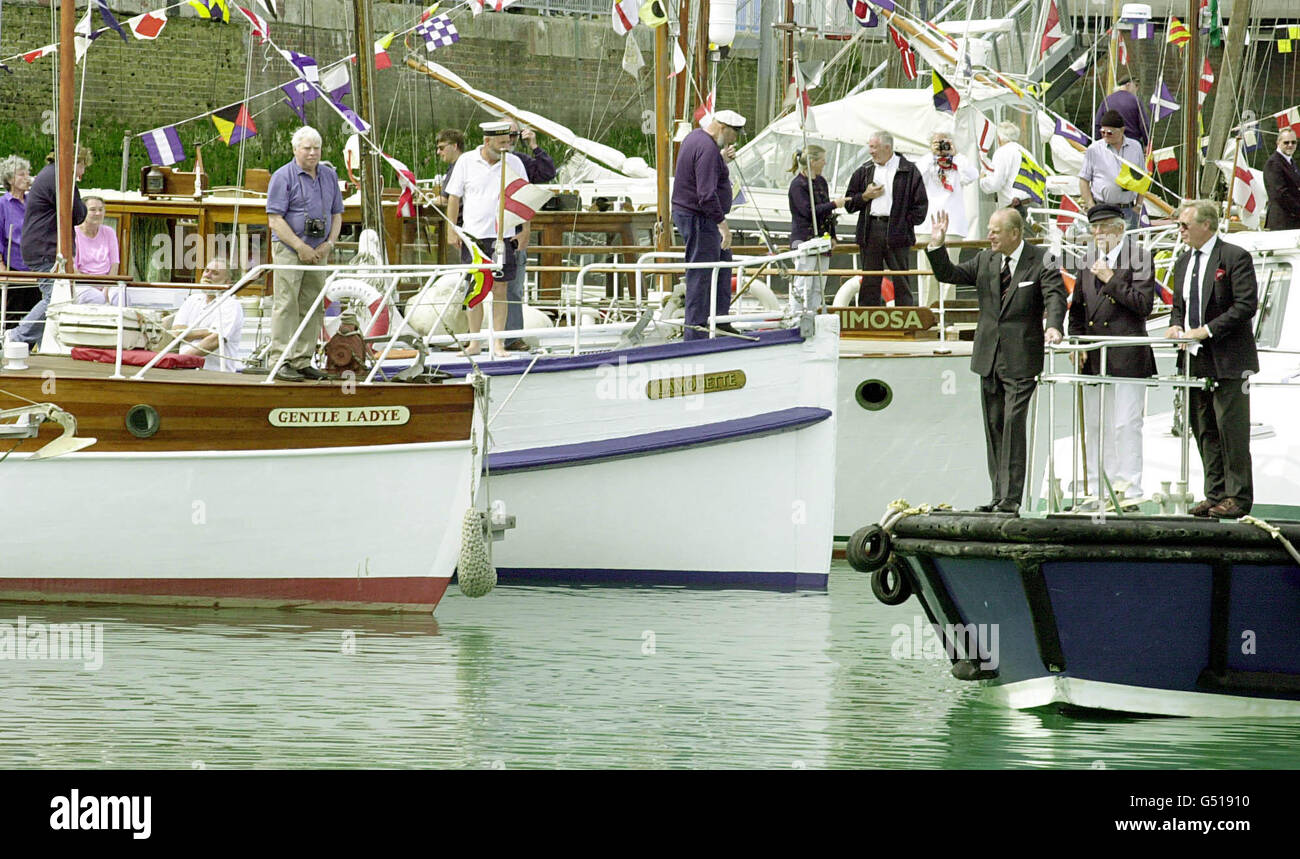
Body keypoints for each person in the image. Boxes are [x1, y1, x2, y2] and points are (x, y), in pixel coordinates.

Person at [926, 207, 1066, 514]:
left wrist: (1054, 325)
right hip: (988, 356)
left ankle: (1011, 498)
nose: (989, 235)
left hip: (1022, 357)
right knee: (994, 427)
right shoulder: (985, 259)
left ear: (1014, 233)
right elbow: (950, 274)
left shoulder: (1042, 259)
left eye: (995, 231)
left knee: (1014, 423)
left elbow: (1056, 296)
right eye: (989, 229)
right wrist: (938, 245)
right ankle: (997, 496)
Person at [1165, 201, 1258, 519]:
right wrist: (1176, 324)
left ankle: (1238, 497)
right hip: (1194, 358)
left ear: (1206, 225)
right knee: (1203, 427)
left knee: (1231, 428)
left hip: (1229, 357)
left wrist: (1207, 330)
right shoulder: (1182, 262)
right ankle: (1215, 492)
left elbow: (1246, 305)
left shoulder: (1234, 257)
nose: (1180, 230)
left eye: (1184, 225)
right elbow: (1179, 304)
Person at [1067, 204, 1157, 503]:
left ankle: (1130, 489)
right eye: (1094, 228)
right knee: (1096, 425)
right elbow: (1077, 310)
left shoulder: (1139, 258)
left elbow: (1143, 305)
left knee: (1125, 425)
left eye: (1103, 228)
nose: (1097, 234)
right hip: (1095, 356)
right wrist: (1076, 342)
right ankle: (1097, 486)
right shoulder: (1088, 261)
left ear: (1119, 229)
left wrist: (1111, 278)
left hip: (1127, 354)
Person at [445, 120, 530, 357]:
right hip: (474, 236)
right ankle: (474, 343)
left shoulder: (514, 162)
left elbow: (524, 198)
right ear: (487, 141)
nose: (507, 147)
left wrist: (525, 230)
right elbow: (454, 198)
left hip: (503, 236)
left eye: (509, 142)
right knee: (475, 289)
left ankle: (498, 343)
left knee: (501, 288)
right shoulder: (466, 162)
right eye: (501, 143)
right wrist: (452, 229)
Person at [265, 125, 343, 381]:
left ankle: (302, 359)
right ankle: (279, 360)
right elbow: (275, 219)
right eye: (307, 148)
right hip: (289, 249)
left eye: (316, 148)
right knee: (286, 304)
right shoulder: (282, 176)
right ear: (295, 149)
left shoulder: (329, 176)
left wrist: (328, 244)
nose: (312, 153)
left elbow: (337, 214)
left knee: (313, 305)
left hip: (319, 251)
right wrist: (300, 247)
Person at [671, 109, 745, 339]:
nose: (735, 139)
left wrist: (721, 159)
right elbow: (705, 193)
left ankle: (720, 319)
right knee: (701, 273)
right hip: (699, 217)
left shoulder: (695, 139)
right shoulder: (707, 148)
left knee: (723, 263)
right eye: (735, 133)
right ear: (723, 128)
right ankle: (695, 331)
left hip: (697, 215)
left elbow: (700, 171)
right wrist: (722, 224)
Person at [6, 147, 90, 347]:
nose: (83, 172)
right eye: (83, 166)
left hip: (43, 248)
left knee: (58, 298)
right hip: (46, 249)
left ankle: (37, 344)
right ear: (76, 162)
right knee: (55, 300)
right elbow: (78, 214)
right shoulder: (59, 178)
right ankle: (17, 336)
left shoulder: (50, 174)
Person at [844, 130, 927, 306]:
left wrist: (904, 222)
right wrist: (864, 197)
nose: (870, 151)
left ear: (887, 147)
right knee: (870, 279)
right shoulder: (864, 170)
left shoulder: (909, 170)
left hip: (898, 230)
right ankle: (868, 322)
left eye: (874, 147)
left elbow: (920, 206)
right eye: (870, 147)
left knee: (901, 279)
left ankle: (905, 322)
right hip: (871, 229)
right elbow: (849, 204)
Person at [503, 119, 558, 351]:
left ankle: (512, 337)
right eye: (506, 135)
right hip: (485, 232)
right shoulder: (477, 162)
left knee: (514, 288)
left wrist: (534, 146)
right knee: (475, 286)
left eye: (514, 135)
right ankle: (471, 337)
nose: (510, 140)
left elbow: (547, 172)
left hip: (514, 234)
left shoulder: (520, 162)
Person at [786, 145, 844, 315]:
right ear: (812, 161)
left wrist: (832, 236)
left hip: (822, 240)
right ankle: (797, 316)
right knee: (803, 282)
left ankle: (813, 315)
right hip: (804, 239)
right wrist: (833, 204)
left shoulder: (821, 182)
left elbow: (827, 214)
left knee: (819, 284)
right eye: (822, 159)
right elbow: (807, 211)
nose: (825, 163)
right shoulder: (798, 185)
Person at [170, 257, 244, 372]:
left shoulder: (231, 304)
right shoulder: (192, 300)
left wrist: (181, 360)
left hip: (214, 373)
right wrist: (207, 331)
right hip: (183, 370)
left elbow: (214, 341)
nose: (207, 276)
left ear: (227, 282)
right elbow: (176, 332)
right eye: (206, 271)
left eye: (215, 273)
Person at [1078, 110, 1145, 228]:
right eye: (1102, 132)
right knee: (1103, 244)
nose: (1105, 136)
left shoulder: (1135, 147)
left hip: (1128, 209)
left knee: (1129, 246)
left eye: (1109, 133)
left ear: (1122, 130)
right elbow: (1083, 180)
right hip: (1102, 209)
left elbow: (1142, 178)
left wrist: (1138, 206)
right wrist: (1091, 206)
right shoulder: (1094, 149)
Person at [916, 129, 978, 239]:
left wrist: (956, 155)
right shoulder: (925, 161)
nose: (941, 146)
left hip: (953, 225)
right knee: (925, 255)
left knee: (950, 257)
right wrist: (932, 154)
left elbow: (972, 176)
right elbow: (916, 177)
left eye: (944, 142)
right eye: (937, 143)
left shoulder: (958, 162)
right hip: (927, 225)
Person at [0, 155, 35, 327]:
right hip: (13, 266)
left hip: (35, 266)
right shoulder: (3, 204)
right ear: (10, 179)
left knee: (35, 312)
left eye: (27, 173)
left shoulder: (33, 202)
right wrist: (2, 267)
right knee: (12, 313)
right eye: (21, 174)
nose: (26, 177)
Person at [72, 196, 122, 305]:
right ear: (83, 211)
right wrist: (96, 287)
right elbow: (73, 269)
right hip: (82, 284)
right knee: (96, 298)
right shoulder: (74, 233)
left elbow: (115, 264)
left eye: (101, 209)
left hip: (107, 283)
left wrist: (107, 287)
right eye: (93, 210)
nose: (98, 213)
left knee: (121, 296)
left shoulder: (109, 232)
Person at [979, 122, 1033, 213]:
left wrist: (982, 179)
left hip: (1014, 208)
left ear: (999, 138)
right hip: (1031, 204)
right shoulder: (1025, 152)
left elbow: (995, 184)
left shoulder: (1002, 152)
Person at [1092, 76, 1150, 148]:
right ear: (1128, 85)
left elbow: (1097, 124)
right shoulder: (1135, 101)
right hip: (1132, 144)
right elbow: (1144, 125)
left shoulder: (1107, 100)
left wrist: (1100, 143)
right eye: (1136, 85)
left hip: (1110, 144)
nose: (1137, 89)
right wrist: (1147, 143)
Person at [1263, 127, 1300, 231]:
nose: (1290, 145)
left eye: (1294, 142)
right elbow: (1280, 194)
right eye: (1286, 142)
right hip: (1282, 222)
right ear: (1278, 143)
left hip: (1294, 221)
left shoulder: (1291, 162)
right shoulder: (1273, 163)